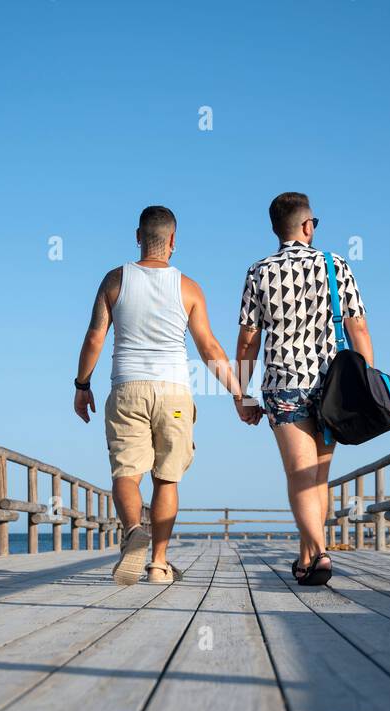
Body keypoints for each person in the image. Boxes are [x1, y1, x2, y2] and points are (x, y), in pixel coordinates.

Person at [74, 205, 256, 584]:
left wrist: (82, 385)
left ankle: (131, 531)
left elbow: (95, 337)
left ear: (138, 237)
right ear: (173, 240)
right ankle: (158, 563)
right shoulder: (188, 287)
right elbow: (209, 347)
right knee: (166, 479)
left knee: (127, 472)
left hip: (127, 388)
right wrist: (239, 394)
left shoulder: (114, 279)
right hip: (174, 394)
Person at [236, 192, 373, 585]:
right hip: (333, 384)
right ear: (308, 226)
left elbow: (248, 339)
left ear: (277, 228)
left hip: (284, 383)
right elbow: (357, 327)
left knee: (299, 474)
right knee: (318, 476)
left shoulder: (259, 272)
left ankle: (319, 553)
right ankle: (309, 556)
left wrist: (239, 393)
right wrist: (367, 379)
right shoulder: (336, 265)